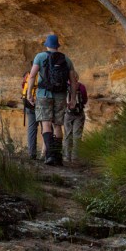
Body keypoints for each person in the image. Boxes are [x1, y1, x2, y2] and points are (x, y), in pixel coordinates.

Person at [25, 34, 77, 166]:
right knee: (57, 125)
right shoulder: (66, 59)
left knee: (46, 124)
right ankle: (58, 157)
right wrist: (72, 99)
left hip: (43, 94)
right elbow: (73, 81)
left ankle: (49, 156)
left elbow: (32, 76)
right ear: (57, 46)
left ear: (47, 45)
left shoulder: (40, 56)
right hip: (60, 96)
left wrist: (29, 93)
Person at [63, 80, 88, 163]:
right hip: (79, 113)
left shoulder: (65, 86)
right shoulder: (81, 86)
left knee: (67, 135)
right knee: (77, 136)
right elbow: (85, 100)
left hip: (68, 113)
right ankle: (75, 158)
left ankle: (67, 157)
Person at [21, 69, 39, 160]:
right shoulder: (41, 75)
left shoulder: (27, 75)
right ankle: (48, 154)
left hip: (28, 104)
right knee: (47, 128)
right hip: (39, 103)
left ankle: (32, 153)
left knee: (32, 129)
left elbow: (23, 87)